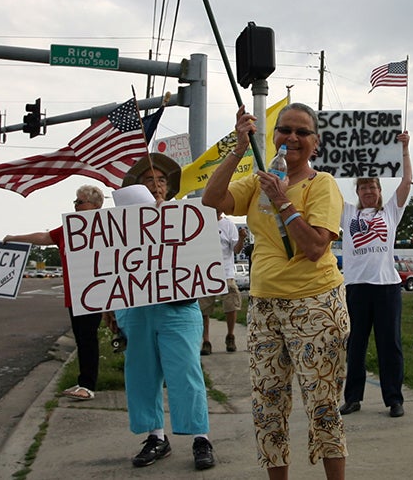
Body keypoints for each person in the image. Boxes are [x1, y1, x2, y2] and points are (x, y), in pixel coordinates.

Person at [201, 102, 348, 480]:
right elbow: (212, 199)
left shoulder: (322, 185)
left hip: (315, 304)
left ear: (315, 142)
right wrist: (237, 148)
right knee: (267, 404)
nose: (293, 138)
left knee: (323, 405)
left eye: (302, 132)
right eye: (285, 130)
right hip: (265, 306)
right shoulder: (258, 179)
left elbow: (316, 248)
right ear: (274, 136)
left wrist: (283, 200)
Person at [115, 153, 216, 471]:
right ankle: (155, 436)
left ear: (169, 187)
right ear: (137, 186)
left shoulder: (187, 216)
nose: (156, 185)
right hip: (138, 310)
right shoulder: (120, 226)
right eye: (148, 180)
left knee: (186, 373)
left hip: (179, 308)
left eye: (161, 180)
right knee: (142, 375)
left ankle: (201, 438)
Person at [3, 184, 106, 402]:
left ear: (95, 205)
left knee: (87, 338)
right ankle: (83, 381)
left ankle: (88, 385)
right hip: (74, 294)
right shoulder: (69, 228)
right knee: (81, 338)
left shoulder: (106, 227)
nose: (76, 206)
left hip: (94, 294)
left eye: (80, 202)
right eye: (75, 202)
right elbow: (44, 237)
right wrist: (14, 238)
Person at [338, 131, 412, 418]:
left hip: (386, 287)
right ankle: (353, 398)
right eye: (364, 187)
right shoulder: (346, 214)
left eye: (373, 187)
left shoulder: (391, 213)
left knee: (389, 344)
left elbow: (406, 183)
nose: (369, 191)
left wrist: (404, 150)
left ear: (380, 191)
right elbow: (323, 188)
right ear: (357, 193)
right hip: (356, 287)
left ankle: (394, 399)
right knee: (355, 345)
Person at [199, 213, 246, 355]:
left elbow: (236, 249)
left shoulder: (228, 225)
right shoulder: (199, 222)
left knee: (231, 303)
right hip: (205, 272)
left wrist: (242, 238)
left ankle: (230, 335)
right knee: (203, 308)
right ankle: (206, 341)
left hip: (226, 273)